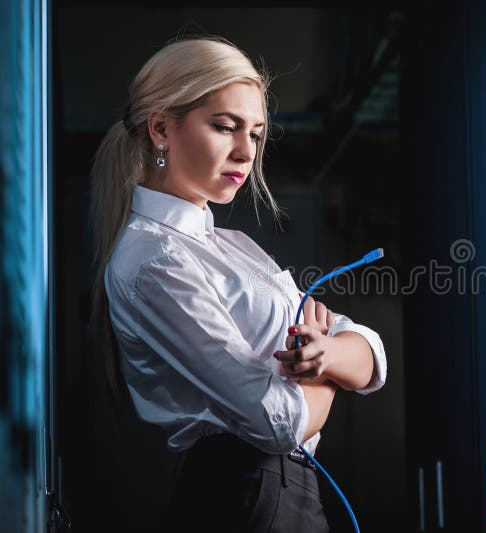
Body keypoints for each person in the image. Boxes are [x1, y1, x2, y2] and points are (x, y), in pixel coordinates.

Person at [88, 35, 387, 532]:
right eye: (226, 127)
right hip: (248, 493)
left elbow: (372, 353)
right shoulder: (154, 259)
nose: (246, 151)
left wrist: (329, 355)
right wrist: (328, 372)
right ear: (161, 127)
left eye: (256, 133)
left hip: (278, 492)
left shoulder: (231, 245)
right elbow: (278, 422)